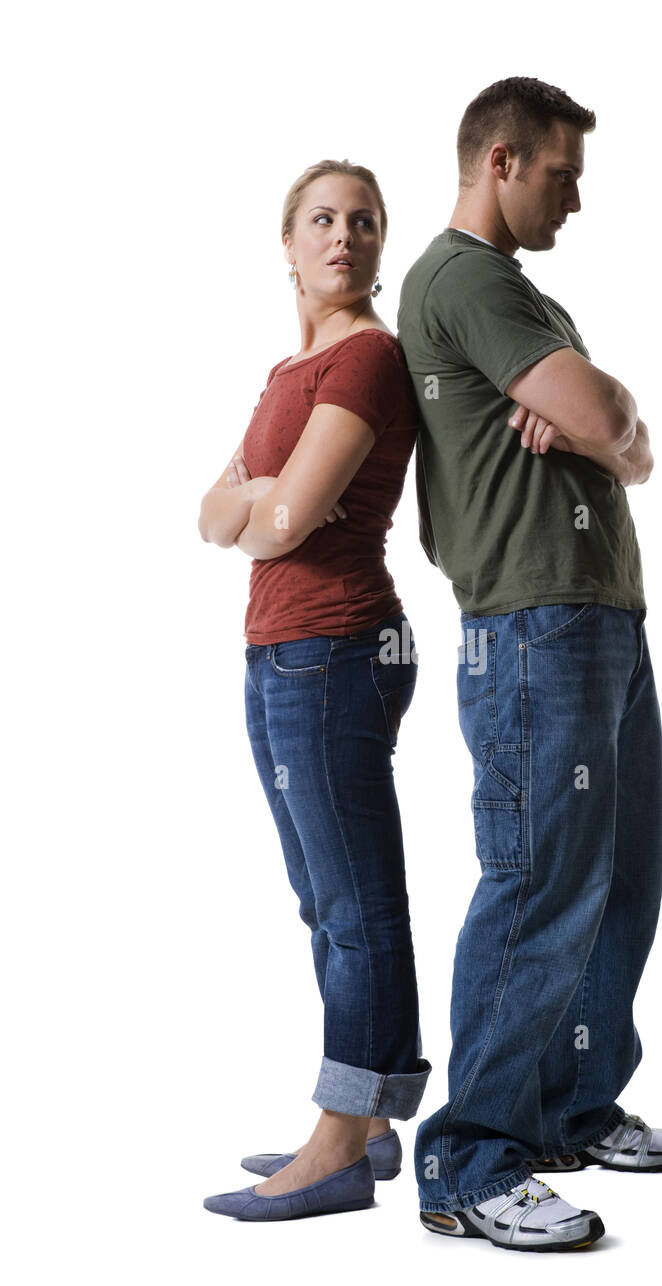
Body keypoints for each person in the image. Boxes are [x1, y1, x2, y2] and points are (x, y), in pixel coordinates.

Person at [396, 77, 662, 1252]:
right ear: (502, 160)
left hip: (597, 616)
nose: (575, 200)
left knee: (619, 873)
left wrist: (608, 429)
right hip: (530, 622)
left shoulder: (526, 295)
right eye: (562, 175)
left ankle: (572, 1101)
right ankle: (473, 1157)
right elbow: (607, 412)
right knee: (536, 882)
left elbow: (638, 447)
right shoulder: (464, 278)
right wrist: (604, 415)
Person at [197, 159, 430, 1222]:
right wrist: (258, 503)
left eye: (365, 221)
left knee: (354, 902)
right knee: (322, 899)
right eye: (323, 218)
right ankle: (370, 1116)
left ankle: (339, 1142)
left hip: (335, 647)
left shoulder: (370, 358)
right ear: (286, 243)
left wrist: (263, 505)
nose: (345, 235)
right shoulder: (289, 371)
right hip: (277, 649)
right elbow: (211, 512)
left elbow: (279, 521)